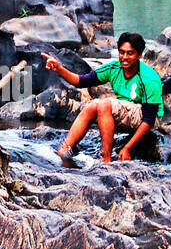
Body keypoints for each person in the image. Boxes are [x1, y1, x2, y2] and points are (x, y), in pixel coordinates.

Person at [42, 32, 164, 165]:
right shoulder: (114, 67)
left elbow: (149, 119)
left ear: (139, 55)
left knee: (105, 104)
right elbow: (81, 81)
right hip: (127, 113)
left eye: (130, 53)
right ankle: (65, 150)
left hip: (147, 118)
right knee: (93, 105)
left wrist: (127, 148)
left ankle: (106, 160)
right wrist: (59, 68)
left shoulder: (149, 78)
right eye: (121, 52)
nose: (124, 57)